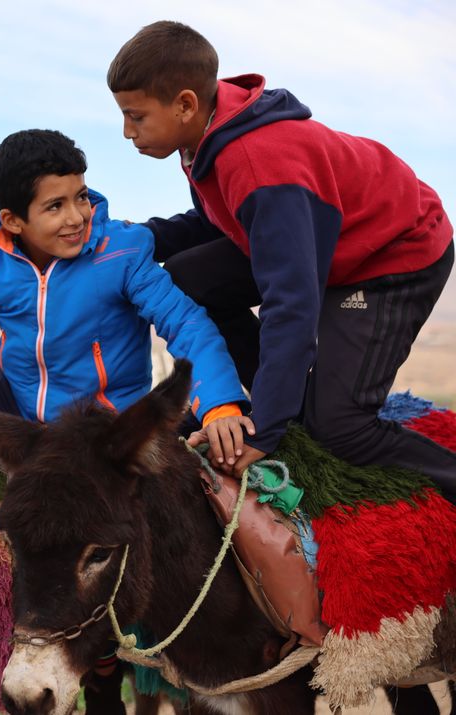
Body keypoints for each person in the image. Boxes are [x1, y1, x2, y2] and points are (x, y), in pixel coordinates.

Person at [107, 21, 456, 500]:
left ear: (185, 104)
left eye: (136, 116)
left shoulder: (257, 162)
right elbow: (219, 217)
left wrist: (263, 431)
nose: (127, 132)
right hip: (321, 242)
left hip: (390, 254)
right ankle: (282, 403)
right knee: (188, 278)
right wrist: (139, 238)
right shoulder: (205, 137)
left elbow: (291, 303)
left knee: (339, 428)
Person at [0, 128, 252, 465]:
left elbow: (186, 325)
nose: (77, 217)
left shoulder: (121, 253)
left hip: (100, 420)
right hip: (10, 396)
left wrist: (219, 406)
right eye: (55, 206)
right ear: (13, 220)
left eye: (80, 196)